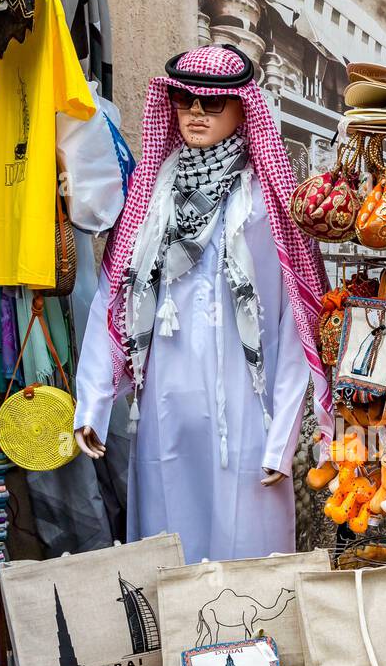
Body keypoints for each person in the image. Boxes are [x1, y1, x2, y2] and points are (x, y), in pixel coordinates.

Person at [73, 45, 332, 563]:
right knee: (166, 554)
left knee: (248, 565)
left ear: (242, 109)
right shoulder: (152, 194)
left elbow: (294, 323)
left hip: (243, 417)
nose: (195, 112)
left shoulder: (264, 203)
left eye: (212, 103)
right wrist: (94, 400)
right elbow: (115, 299)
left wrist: (281, 436)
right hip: (164, 409)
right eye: (184, 99)